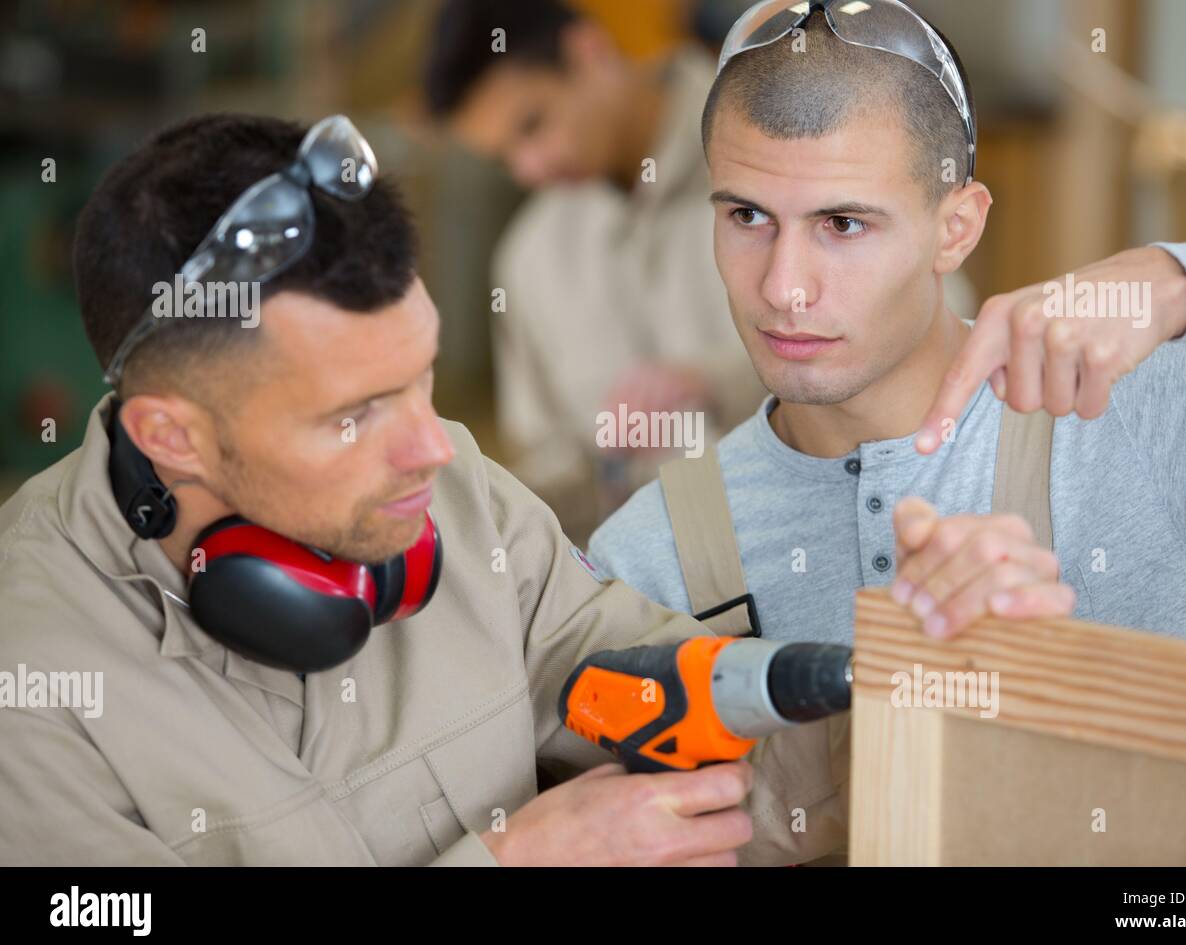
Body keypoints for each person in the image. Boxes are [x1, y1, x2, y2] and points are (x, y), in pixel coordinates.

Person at [0, 113, 845, 866]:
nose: (435, 449)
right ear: (171, 436)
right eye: (356, 414)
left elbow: (727, 756)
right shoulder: (31, 685)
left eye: (422, 376)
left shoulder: (459, 504)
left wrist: (928, 665)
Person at [587, 0, 1186, 650]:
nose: (784, 288)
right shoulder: (649, 559)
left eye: (842, 223)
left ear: (956, 230)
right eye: (747, 216)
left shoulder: (1171, 424)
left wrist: (1180, 282)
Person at [423, 0, 973, 541]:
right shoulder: (530, 258)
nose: (530, 167)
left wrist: (713, 384)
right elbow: (545, 484)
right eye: (503, 157)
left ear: (586, 52)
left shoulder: (791, 132)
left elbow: (946, 333)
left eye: (534, 124)